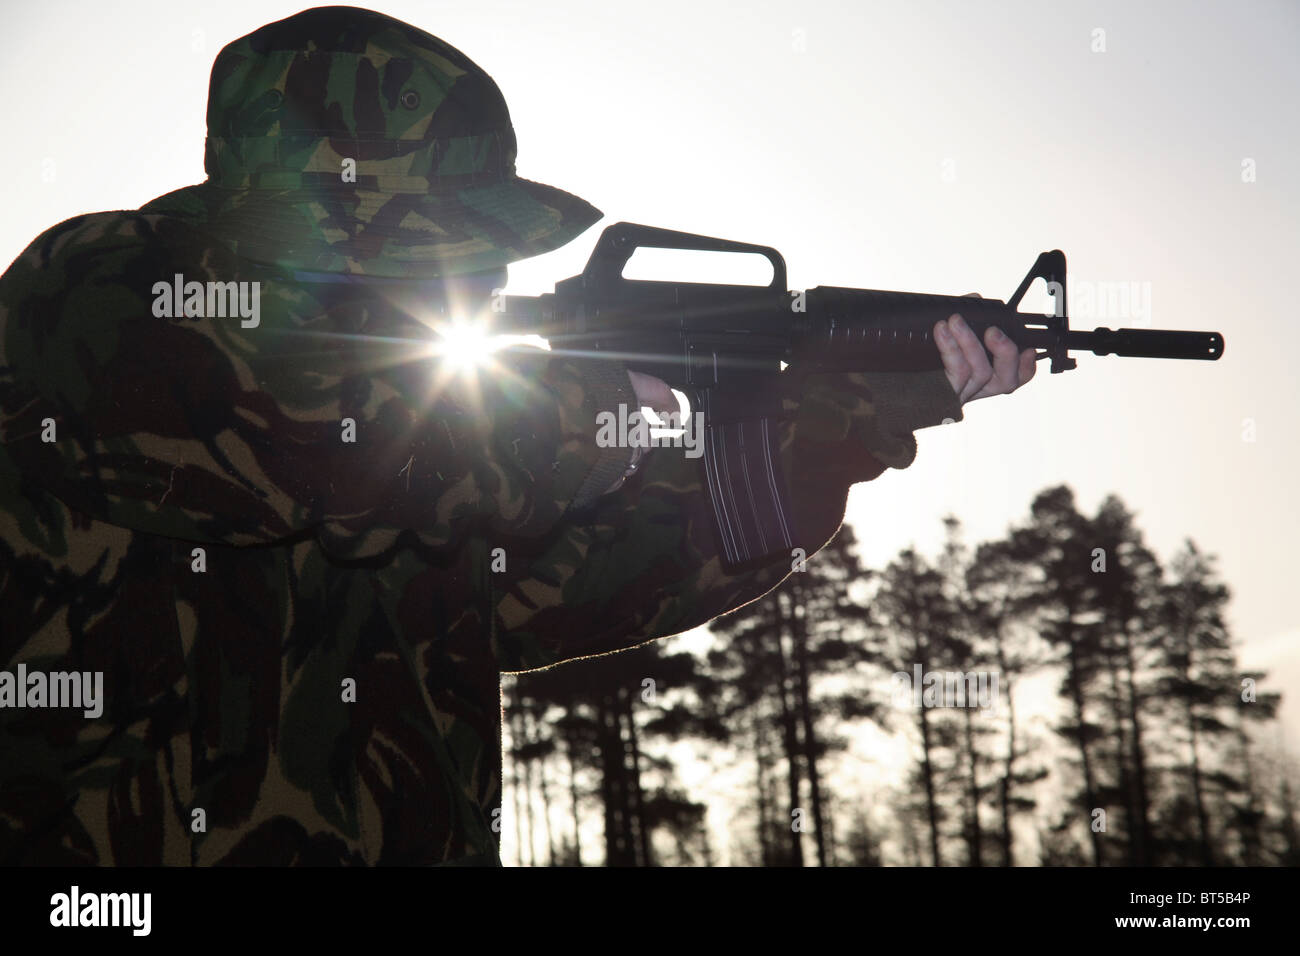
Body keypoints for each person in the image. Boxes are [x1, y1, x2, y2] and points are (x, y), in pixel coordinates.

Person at [0, 5, 1035, 865]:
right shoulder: (99, 294)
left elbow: (588, 579)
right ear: (348, 225)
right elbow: (307, 441)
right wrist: (593, 408)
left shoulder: (443, 475)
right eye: (458, 246)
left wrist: (845, 416)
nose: (486, 280)